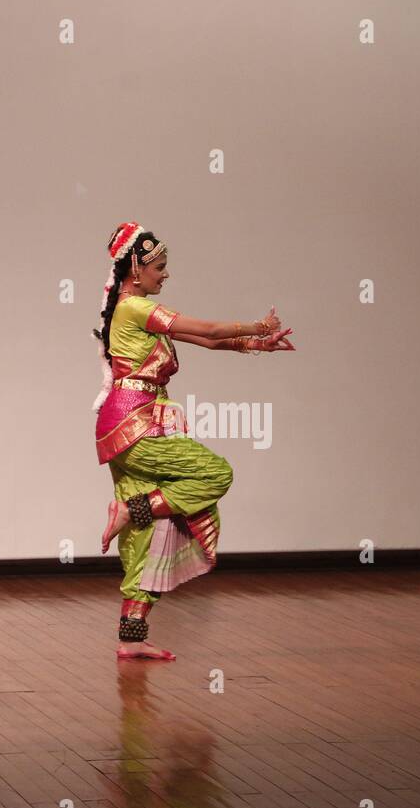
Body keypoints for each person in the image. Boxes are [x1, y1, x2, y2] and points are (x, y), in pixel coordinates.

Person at [92, 222, 295, 660]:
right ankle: (131, 509)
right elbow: (202, 325)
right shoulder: (132, 309)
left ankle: (132, 637)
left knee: (147, 534)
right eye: (159, 267)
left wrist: (259, 343)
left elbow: (201, 339)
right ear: (135, 267)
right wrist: (257, 322)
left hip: (127, 425)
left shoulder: (136, 312)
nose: (165, 275)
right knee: (215, 473)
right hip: (135, 423)